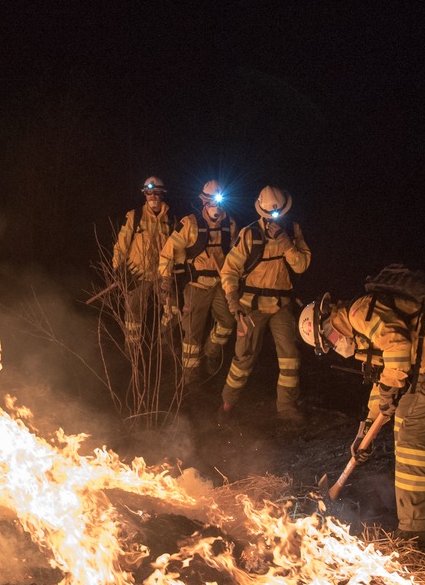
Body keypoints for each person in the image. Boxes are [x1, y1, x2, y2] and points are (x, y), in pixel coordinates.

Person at [298, 269, 425, 549]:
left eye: (331, 341)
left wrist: (387, 392)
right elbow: (383, 374)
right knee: (402, 426)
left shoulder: (359, 313)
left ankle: (418, 534)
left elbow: (397, 345)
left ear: (329, 322)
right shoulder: (360, 335)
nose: (337, 348)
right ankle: (411, 514)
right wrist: (366, 428)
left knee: (413, 439)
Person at [218, 185, 310, 421]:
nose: (273, 220)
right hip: (252, 306)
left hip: (281, 305)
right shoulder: (249, 235)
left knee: (290, 357)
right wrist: (232, 299)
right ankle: (227, 404)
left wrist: (286, 242)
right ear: (261, 212)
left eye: (277, 215)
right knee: (243, 358)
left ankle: (287, 409)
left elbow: (301, 265)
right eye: (269, 216)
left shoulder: (293, 231)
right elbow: (229, 270)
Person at [158, 178, 236, 384]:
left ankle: (211, 352)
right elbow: (168, 253)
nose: (216, 207)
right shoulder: (190, 224)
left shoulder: (230, 224)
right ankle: (190, 376)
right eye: (212, 202)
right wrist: (165, 278)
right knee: (192, 334)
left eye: (220, 202)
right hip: (196, 286)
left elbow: (237, 255)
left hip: (220, 285)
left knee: (228, 322)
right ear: (204, 202)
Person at [110, 176, 172, 356]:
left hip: (161, 275)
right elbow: (121, 245)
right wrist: (119, 271)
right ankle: (132, 352)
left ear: (162, 194)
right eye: (148, 192)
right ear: (144, 194)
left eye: (156, 192)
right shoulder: (134, 216)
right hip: (137, 275)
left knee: (172, 310)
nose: (152, 196)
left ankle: (164, 346)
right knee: (133, 316)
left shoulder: (171, 219)